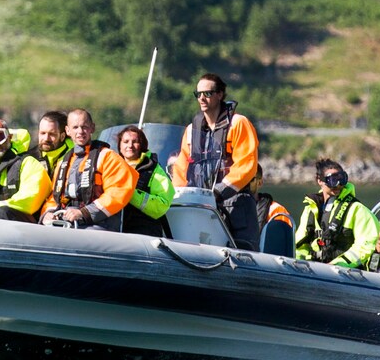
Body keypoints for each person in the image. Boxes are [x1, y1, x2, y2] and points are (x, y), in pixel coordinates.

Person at [169, 73, 260, 250]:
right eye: (198, 94)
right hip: (202, 206)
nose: (202, 98)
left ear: (220, 94)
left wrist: (218, 192)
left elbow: (247, 164)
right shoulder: (191, 130)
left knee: (243, 252)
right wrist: (178, 197)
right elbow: (181, 168)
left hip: (236, 204)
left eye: (208, 93)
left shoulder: (238, 123)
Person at [43, 109, 137, 231]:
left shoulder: (108, 157)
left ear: (92, 128)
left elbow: (117, 193)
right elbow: (54, 197)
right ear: (67, 131)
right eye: (75, 127)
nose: (80, 131)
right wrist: (48, 213)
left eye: (84, 127)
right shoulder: (63, 164)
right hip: (69, 223)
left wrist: (84, 212)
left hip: (100, 226)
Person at [292, 158, 379, 269]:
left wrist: (339, 264)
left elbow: (366, 244)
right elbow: (300, 243)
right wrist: (299, 264)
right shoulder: (311, 210)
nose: (338, 185)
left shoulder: (357, 209)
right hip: (314, 270)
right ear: (320, 180)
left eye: (341, 179)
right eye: (332, 180)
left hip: (345, 272)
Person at [115, 125, 174, 237]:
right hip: (114, 231)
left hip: (144, 232)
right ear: (119, 145)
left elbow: (163, 204)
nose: (130, 145)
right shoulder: (112, 167)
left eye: (135, 142)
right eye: (126, 142)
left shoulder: (153, 169)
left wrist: (131, 194)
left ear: (142, 145)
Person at [252, 164, 294, 256]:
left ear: (260, 182)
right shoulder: (228, 209)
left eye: (250, 180)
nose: (244, 184)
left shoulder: (277, 211)